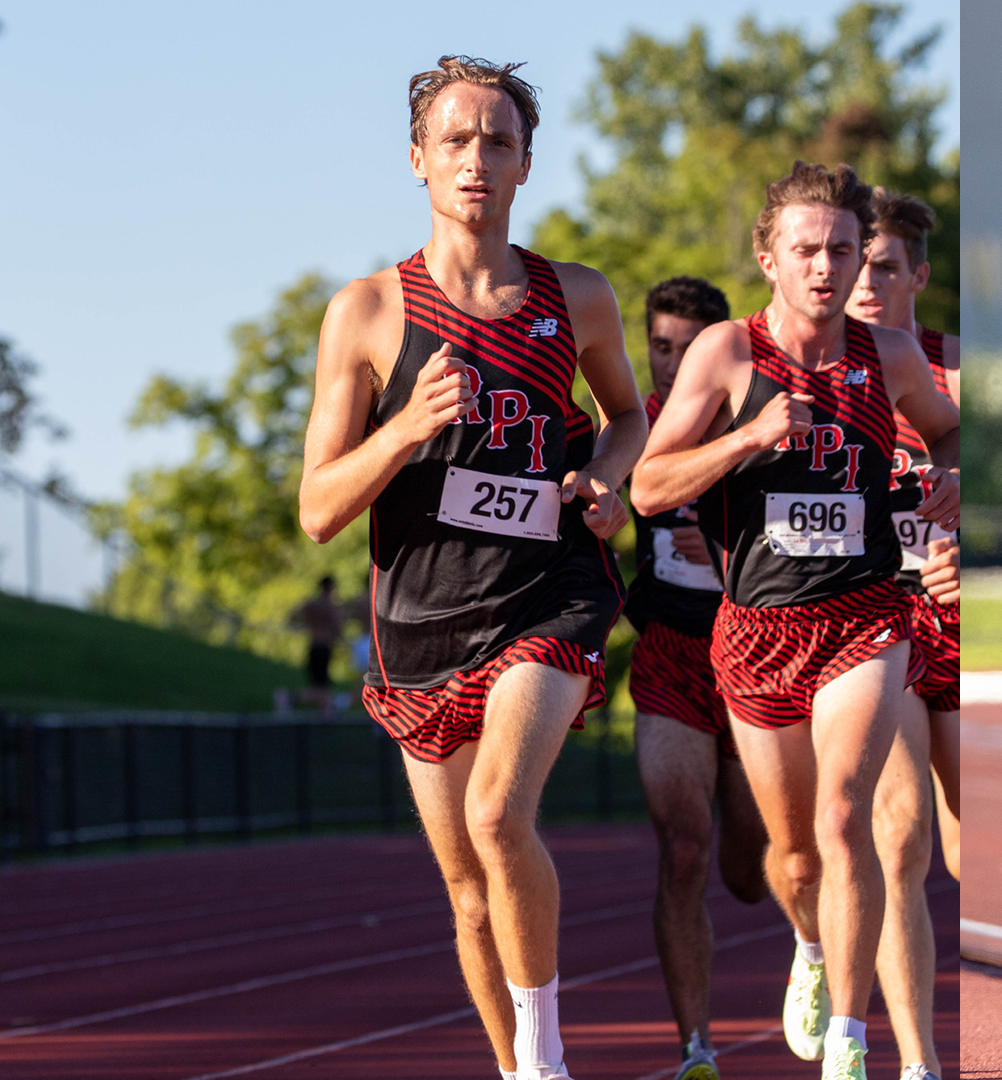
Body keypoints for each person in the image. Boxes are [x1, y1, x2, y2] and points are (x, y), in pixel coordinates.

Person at [298, 56, 646, 1080]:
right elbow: (319, 508)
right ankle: (518, 1070)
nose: (477, 159)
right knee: (465, 892)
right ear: (417, 159)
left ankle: (547, 1057)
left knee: (500, 815)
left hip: (549, 593)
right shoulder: (365, 313)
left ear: (528, 162)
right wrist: (405, 426)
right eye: (456, 139)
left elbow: (627, 417)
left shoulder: (574, 297)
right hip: (420, 624)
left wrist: (605, 477)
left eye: (499, 140)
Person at [630, 161, 960, 1080]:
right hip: (756, 628)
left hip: (863, 617)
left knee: (849, 816)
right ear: (767, 255)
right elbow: (650, 483)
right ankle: (811, 950)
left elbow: (951, 431)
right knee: (798, 853)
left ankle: (850, 1048)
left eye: (843, 251)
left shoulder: (886, 357)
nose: (826, 268)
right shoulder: (727, 355)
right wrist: (744, 438)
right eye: (807, 249)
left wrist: (956, 481)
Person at [625, 275, 770, 1080]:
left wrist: (720, 553)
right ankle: (697, 1051)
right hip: (671, 656)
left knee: (751, 875)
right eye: (661, 346)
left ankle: (812, 950)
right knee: (682, 850)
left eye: (690, 348)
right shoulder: (628, 428)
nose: (675, 363)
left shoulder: (759, 417)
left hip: (755, 652)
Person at [844, 187, 961, 1080]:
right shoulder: (815, 375)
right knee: (899, 834)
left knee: (965, 845)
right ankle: (918, 1062)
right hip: (876, 621)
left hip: (961, 626)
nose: (868, 282)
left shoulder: (955, 371)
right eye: (857, 263)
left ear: (918, 274)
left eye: (887, 267)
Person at [291, 575, 347, 707]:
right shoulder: (329, 605)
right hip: (323, 647)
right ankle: (288, 698)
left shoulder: (312, 604)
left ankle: (323, 713)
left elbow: (293, 616)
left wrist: (307, 624)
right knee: (321, 687)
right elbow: (337, 625)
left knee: (319, 684)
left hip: (313, 645)